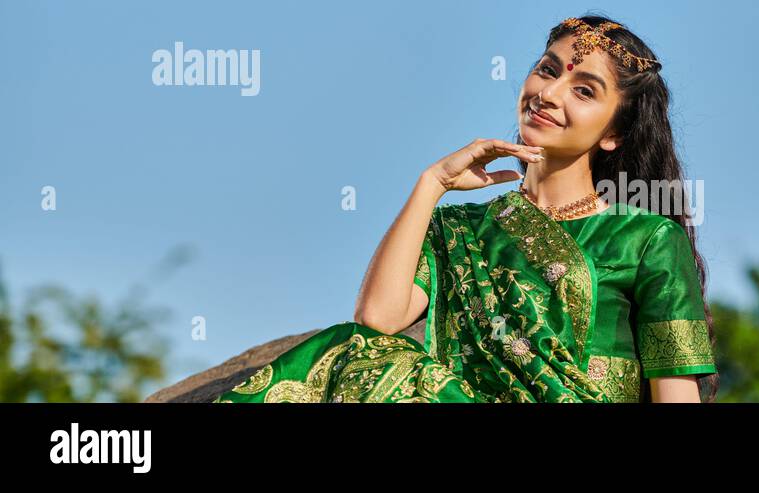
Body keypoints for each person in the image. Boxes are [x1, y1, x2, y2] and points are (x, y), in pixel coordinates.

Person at [216, 15, 718, 403]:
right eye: (546, 70)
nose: (548, 93)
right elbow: (374, 322)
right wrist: (431, 183)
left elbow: (674, 392)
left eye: (583, 90)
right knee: (351, 351)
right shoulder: (463, 227)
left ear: (613, 134)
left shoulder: (648, 238)